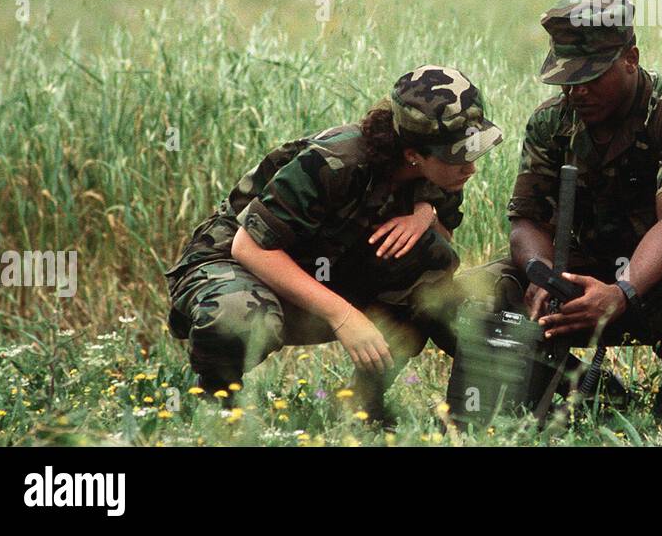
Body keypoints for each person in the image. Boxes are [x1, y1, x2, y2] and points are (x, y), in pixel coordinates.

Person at [164, 65, 503, 422]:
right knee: (241, 314)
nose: (470, 168)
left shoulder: (441, 174)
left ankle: (359, 406)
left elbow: (442, 244)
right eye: (457, 156)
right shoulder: (337, 160)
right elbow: (248, 247)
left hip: (320, 267)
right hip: (232, 264)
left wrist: (424, 214)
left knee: (432, 263)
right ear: (413, 154)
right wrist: (342, 316)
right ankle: (216, 402)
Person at [465, 0, 662, 424]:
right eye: (567, 79)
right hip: (580, 272)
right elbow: (525, 218)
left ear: (630, 58)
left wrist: (621, 293)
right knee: (465, 300)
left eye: (591, 77)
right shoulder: (550, 122)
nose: (577, 91)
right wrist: (543, 274)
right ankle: (586, 391)